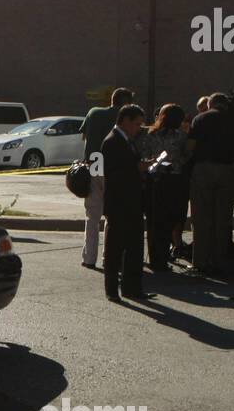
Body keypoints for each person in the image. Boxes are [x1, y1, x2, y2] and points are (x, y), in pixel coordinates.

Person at [186, 93, 234, 276]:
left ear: (210, 103)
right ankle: (220, 261)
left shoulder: (200, 119)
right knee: (223, 218)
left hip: (203, 169)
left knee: (201, 216)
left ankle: (200, 262)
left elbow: (190, 146)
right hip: (227, 170)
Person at [80, 87, 133, 270]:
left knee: (92, 215)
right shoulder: (126, 118)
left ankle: (89, 257)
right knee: (112, 214)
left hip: (94, 164)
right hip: (114, 168)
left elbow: (84, 137)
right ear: (126, 102)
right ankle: (109, 257)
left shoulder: (93, 113)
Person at [102, 104, 149, 301]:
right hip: (119, 204)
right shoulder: (112, 141)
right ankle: (112, 290)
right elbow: (113, 174)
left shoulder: (128, 140)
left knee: (135, 247)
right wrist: (137, 168)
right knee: (115, 249)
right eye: (136, 123)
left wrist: (144, 167)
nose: (139, 128)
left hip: (133, 202)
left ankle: (132, 288)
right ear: (125, 121)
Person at [141, 103, 188, 272]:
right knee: (170, 219)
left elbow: (145, 155)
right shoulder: (181, 136)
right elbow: (185, 158)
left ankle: (155, 258)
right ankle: (165, 253)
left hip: (154, 180)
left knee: (154, 221)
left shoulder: (150, 134)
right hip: (174, 181)